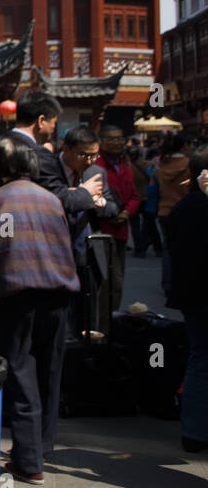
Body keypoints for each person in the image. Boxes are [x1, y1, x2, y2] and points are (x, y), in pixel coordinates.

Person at [0, 136, 79, 486]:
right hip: (58, 295)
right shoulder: (52, 201)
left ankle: (29, 462)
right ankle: (41, 447)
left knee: (21, 371)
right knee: (49, 370)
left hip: (13, 299)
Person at [164, 148, 208, 453]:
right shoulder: (194, 207)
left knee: (200, 359)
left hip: (192, 296)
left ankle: (193, 432)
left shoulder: (182, 209)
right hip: (200, 295)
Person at [56, 126, 118, 336]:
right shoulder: (51, 171)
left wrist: (98, 202)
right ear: (66, 148)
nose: (90, 160)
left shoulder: (96, 172)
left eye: (94, 155)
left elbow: (112, 208)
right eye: (84, 155)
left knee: (88, 308)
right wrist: (80, 195)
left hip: (87, 250)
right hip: (58, 251)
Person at [97, 125, 140, 308]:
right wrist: (110, 212)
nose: (116, 143)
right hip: (101, 231)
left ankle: (112, 324)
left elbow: (135, 196)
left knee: (117, 281)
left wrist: (127, 212)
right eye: (111, 139)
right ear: (101, 141)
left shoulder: (125, 165)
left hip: (120, 231)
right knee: (106, 283)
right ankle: (102, 329)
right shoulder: (95, 165)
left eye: (119, 139)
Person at [155, 134, 193, 297]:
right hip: (183, 210)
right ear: (185, 146)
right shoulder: (188, 164)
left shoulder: (162, 163)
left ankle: (167, 283)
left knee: (167, 248)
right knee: (185, 249)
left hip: (164, 210)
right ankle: (182, 282)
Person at [134, 146, 163, 257]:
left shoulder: (149, 167)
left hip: (145, 197)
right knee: (148, 224)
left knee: (146, 224)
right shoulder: (153, 167)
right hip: (150, 198)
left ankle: (144, 246)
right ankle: (148, 245)